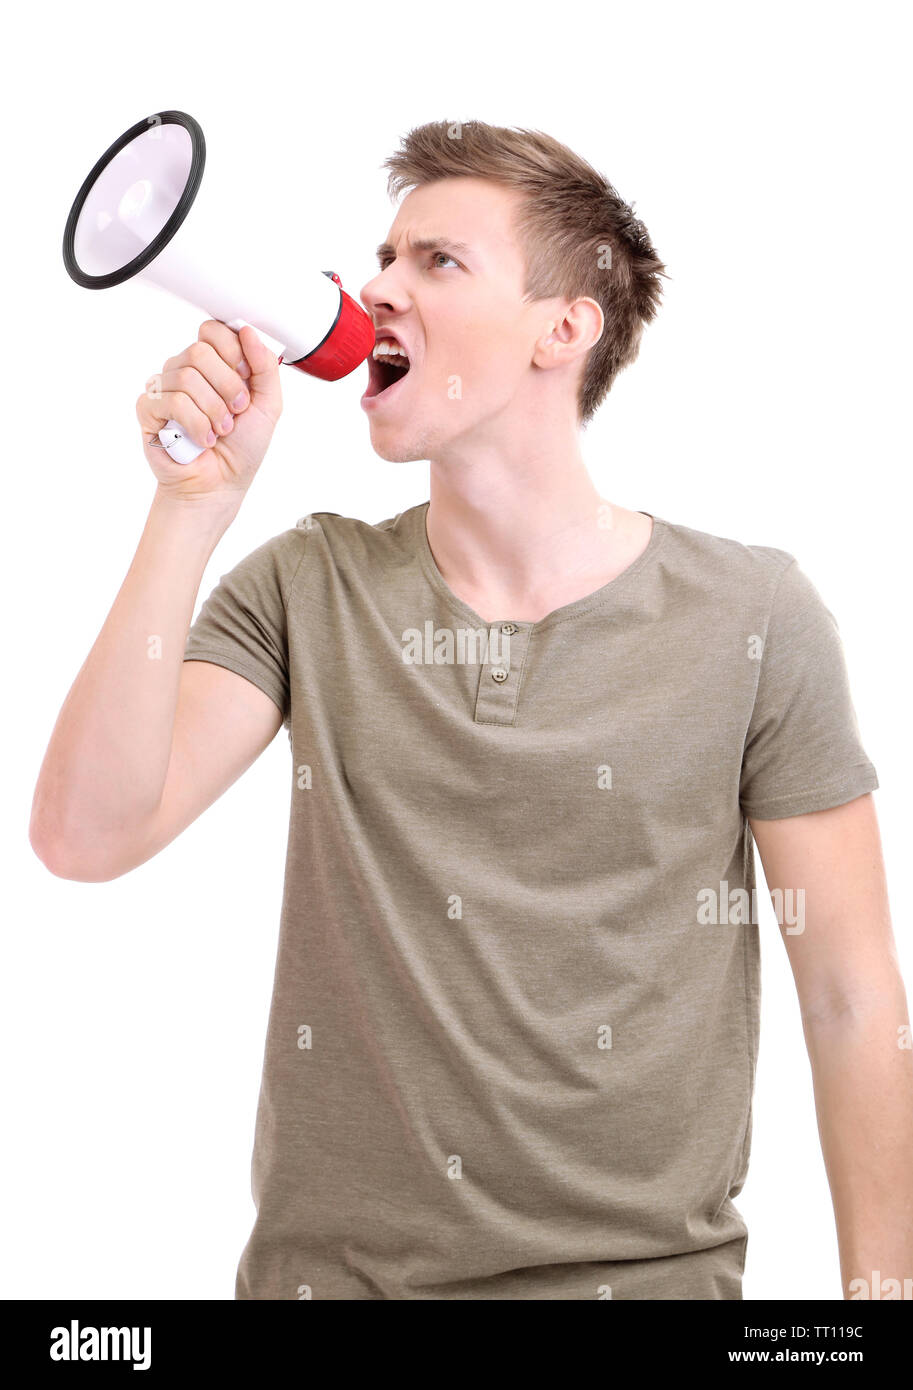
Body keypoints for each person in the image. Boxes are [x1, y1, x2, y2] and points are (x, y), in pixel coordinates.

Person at [30, 120, 912, 1301]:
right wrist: (190, 508)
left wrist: (876, 1309)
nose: (377, 289)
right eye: (382, 257)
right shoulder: (308, 587)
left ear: (565, 328)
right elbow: (86, 836)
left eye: (436, 263)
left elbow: (852, 999)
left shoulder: (755, 614)